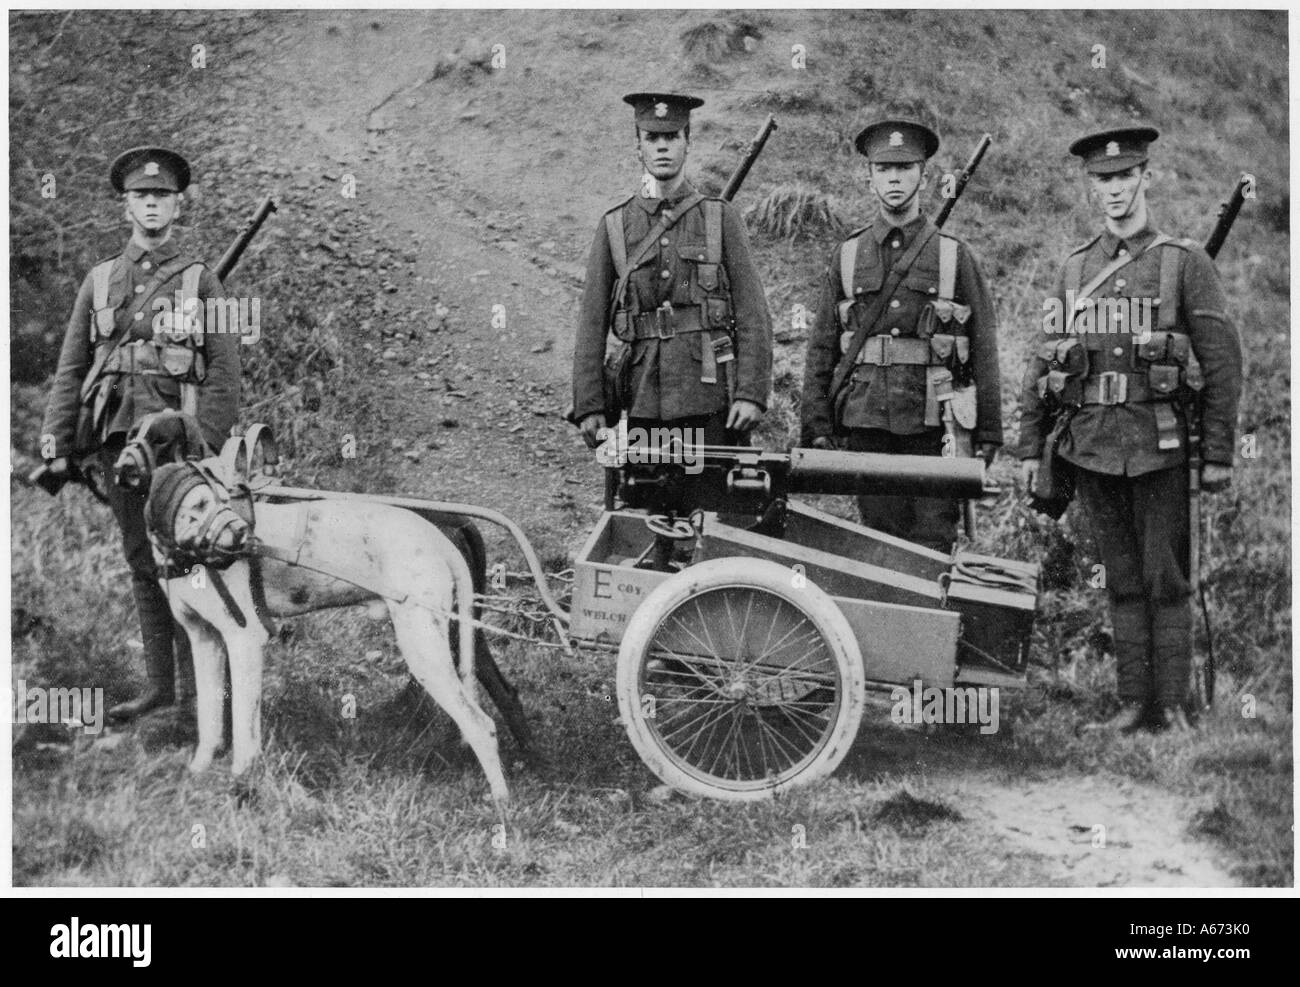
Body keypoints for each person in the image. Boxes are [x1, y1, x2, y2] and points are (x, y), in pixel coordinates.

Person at [1016, 126, 1243, 732]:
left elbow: (1223, 361)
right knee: (1119, 577)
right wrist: (1027, 441)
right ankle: (1129, 702)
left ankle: (1171, 706)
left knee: (1166, 577)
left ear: (1146, 178)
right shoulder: (1076, 268)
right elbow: (1045, 359)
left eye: (1124, 177)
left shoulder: (1182, 263)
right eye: (1102, 180)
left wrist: (1218, 451)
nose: (1114, 190)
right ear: (1091, 188)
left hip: (1160, 444)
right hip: (1092, 446)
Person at [39, 146, 240, 723]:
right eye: (141, 196)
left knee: (192, 558)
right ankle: (161, 689)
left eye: (162, 196)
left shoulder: (201, 281)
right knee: (140, 559)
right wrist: (54, 448)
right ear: (125, 206)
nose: (151, 205)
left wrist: (207, 441)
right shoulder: (100, 280)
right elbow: (71, 369)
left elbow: (224, 369)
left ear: (178, 206)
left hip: (178, 447)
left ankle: (204, 697)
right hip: (116, 441)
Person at [800, 119, 1002, 553]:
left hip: (936, 425)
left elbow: (984, 343)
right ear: (868, 176)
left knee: (933, 543)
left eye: (905, 168)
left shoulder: (953, 255)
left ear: (924, 175)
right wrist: (816, 422)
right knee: (878, 541)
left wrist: (988, 432)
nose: (894, 178)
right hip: (866, 419)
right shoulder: (849, 254)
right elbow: (822, 344)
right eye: (883, 169)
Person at [571, 91, 772, 511]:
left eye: (673, 137)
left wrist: (751, 393)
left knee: (714, 515)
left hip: (711, 401)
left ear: (687, 142)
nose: (662, 146)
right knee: (650, 514)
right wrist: (589, 405)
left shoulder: (720, 218)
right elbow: (591, 322)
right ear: (638, 145)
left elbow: (753, 314)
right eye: (651, 138)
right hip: (645, 402)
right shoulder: (615, 226)